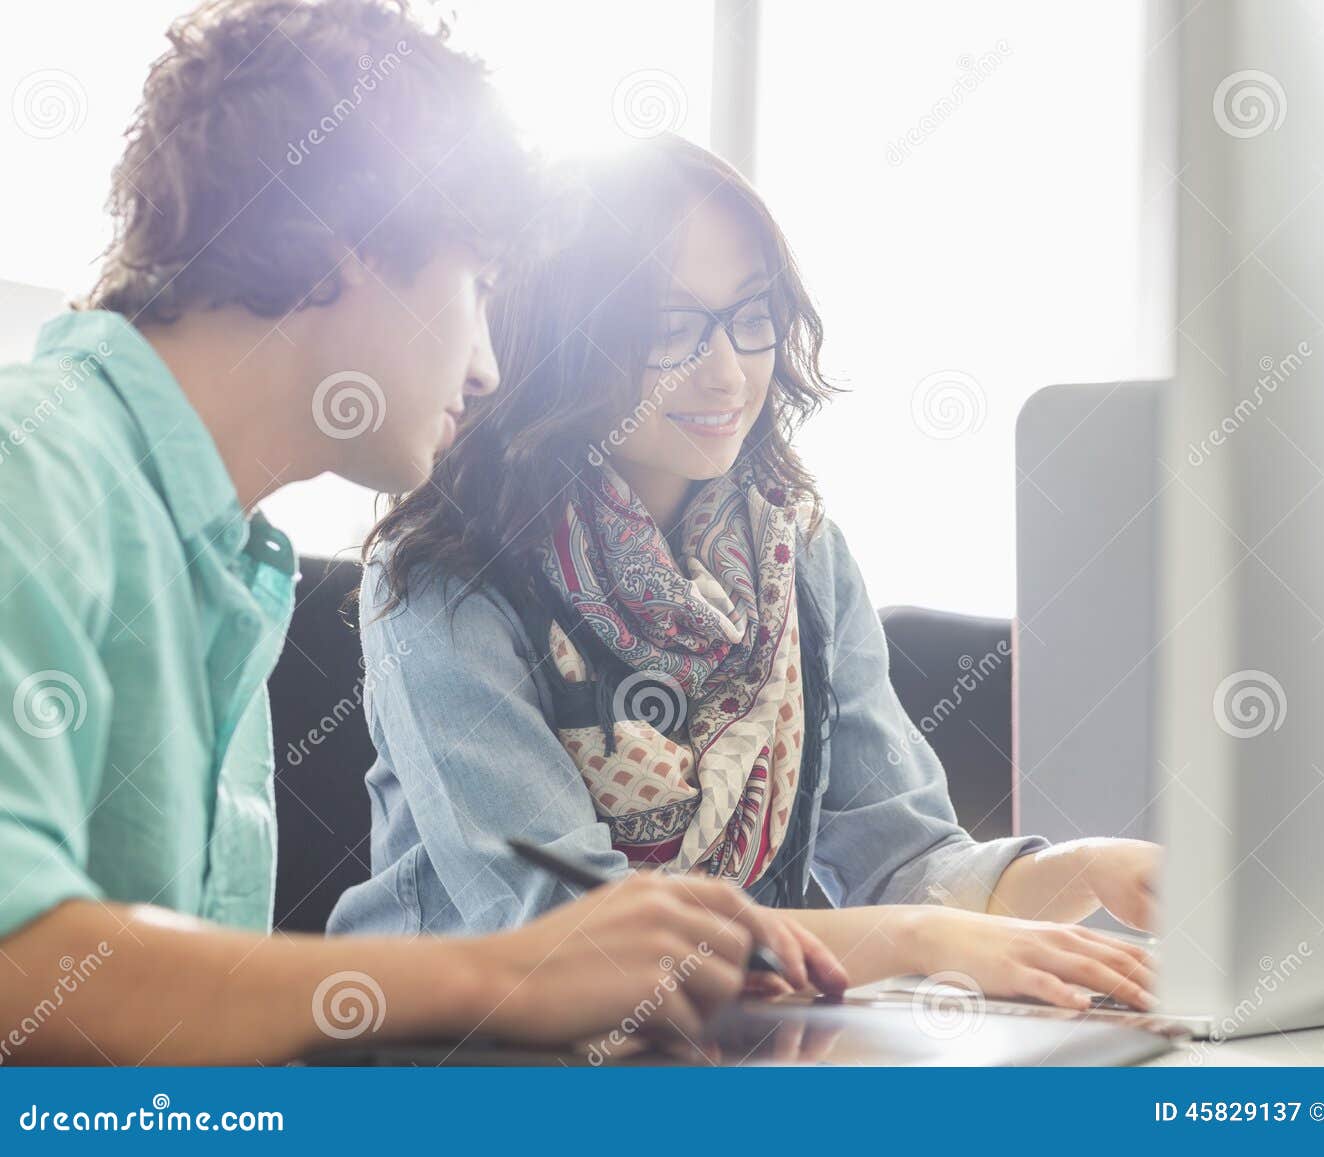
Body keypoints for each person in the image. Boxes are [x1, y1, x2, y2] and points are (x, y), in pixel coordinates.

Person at [0, 0, 842, 1066]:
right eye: (478, 288)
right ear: (347, 243)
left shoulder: (210, 550)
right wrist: (507, 971)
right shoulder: (31, 463)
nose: (488, 365)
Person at [331, 134, 1160, 1011]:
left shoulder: (799, 551)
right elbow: (580, 934)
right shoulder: (440, 577)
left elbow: (904, 863)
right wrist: (922, 938)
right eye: (670, 327)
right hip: (457, 1060)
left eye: (751, 317)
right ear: (566, 331)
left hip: (727, 1045)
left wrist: (1090, 869)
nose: (727, 371)